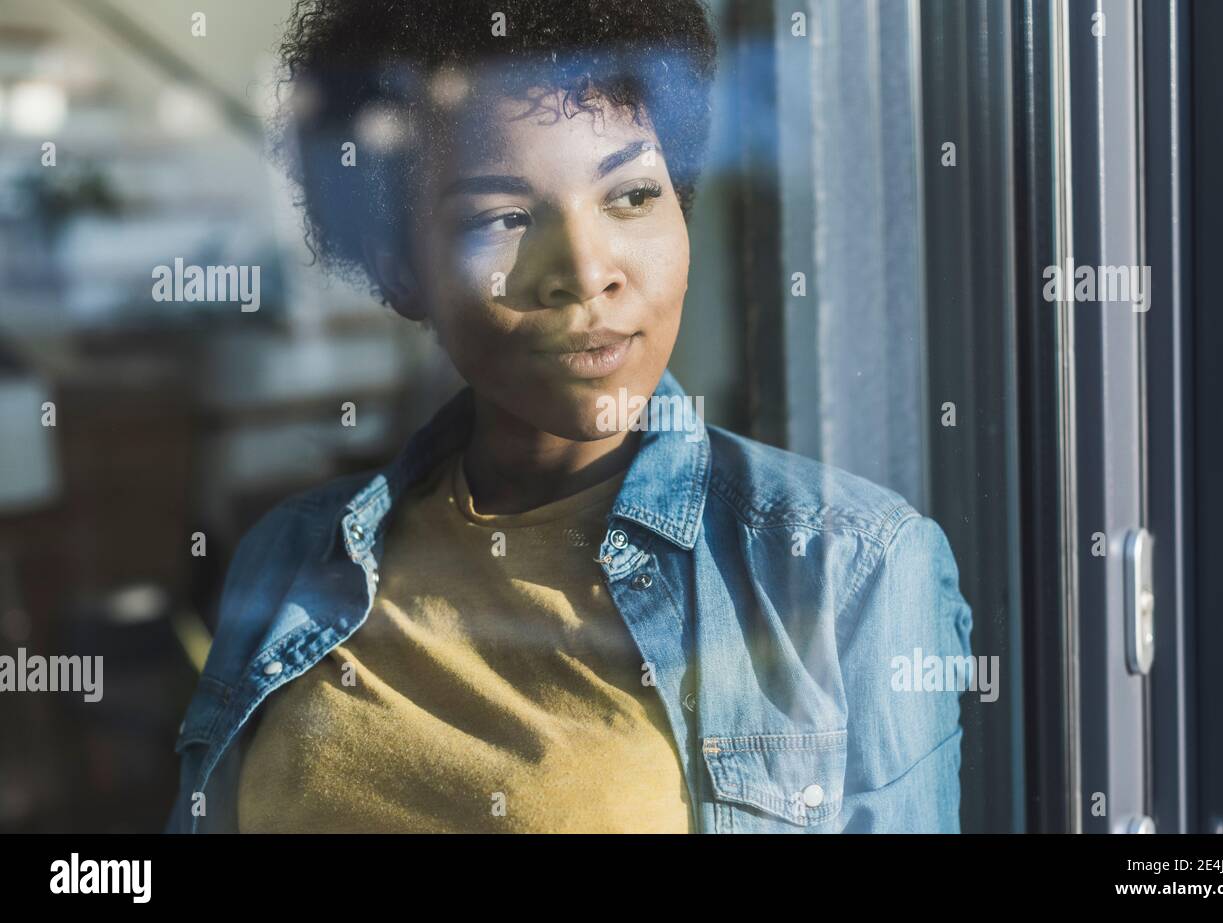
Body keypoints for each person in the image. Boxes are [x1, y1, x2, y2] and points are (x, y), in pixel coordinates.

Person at [165, 0, 973, 834]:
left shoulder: (850, 570)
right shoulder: (291, 559)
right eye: (504, 217)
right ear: (400, 268)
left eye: (630, 195)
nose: (585, 273)